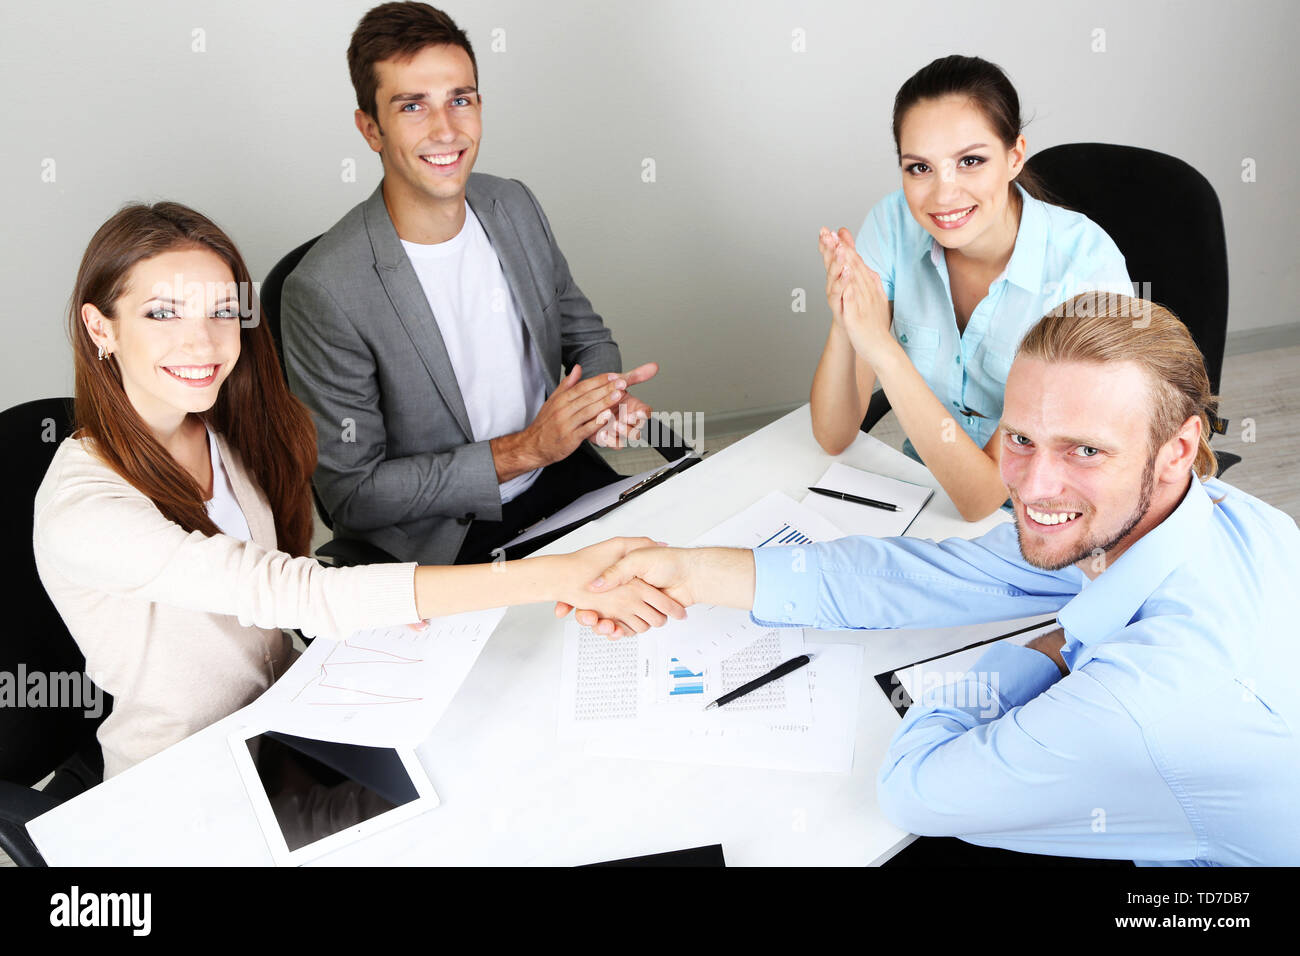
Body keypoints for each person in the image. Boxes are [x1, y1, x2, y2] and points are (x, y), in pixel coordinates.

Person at [564, 296, 1300, 866]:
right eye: (1019, 439)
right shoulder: (1227, 514)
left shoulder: (1139, 704)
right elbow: (934, 573)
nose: (1034, 488)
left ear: (1176, 451)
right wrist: (689, 569)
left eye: (1084, 449)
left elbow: (914, 789)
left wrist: (1048, 650)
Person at [33, 201, 682, 781]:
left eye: (222, 310)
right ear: (101, 329)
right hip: (188, 775)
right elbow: (295, 591)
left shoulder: (219, 428)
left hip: (292, 723)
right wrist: (553, 576)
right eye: (162, 313)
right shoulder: (86, 511)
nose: (201, 341)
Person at [279, 2, 660, 567]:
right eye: (413, 106)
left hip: (564, 479)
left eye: (461, 99)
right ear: (370, 129)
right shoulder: (325, 291)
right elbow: (353, 496)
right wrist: (525, 449)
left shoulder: (513, 203)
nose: (446, 130)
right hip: (447, 536)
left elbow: (585, 335)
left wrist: (602, 396)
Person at [810, 54, 1132, 521]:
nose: (943, 195)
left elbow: (984, 498)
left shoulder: (1084, 271)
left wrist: (881, 347)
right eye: (919, 168)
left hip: (1055, 514)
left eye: (970, 161)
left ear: (1015, 156)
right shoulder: (893, 222)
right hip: (932, 493)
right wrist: (848, 313)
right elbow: (834, 435)